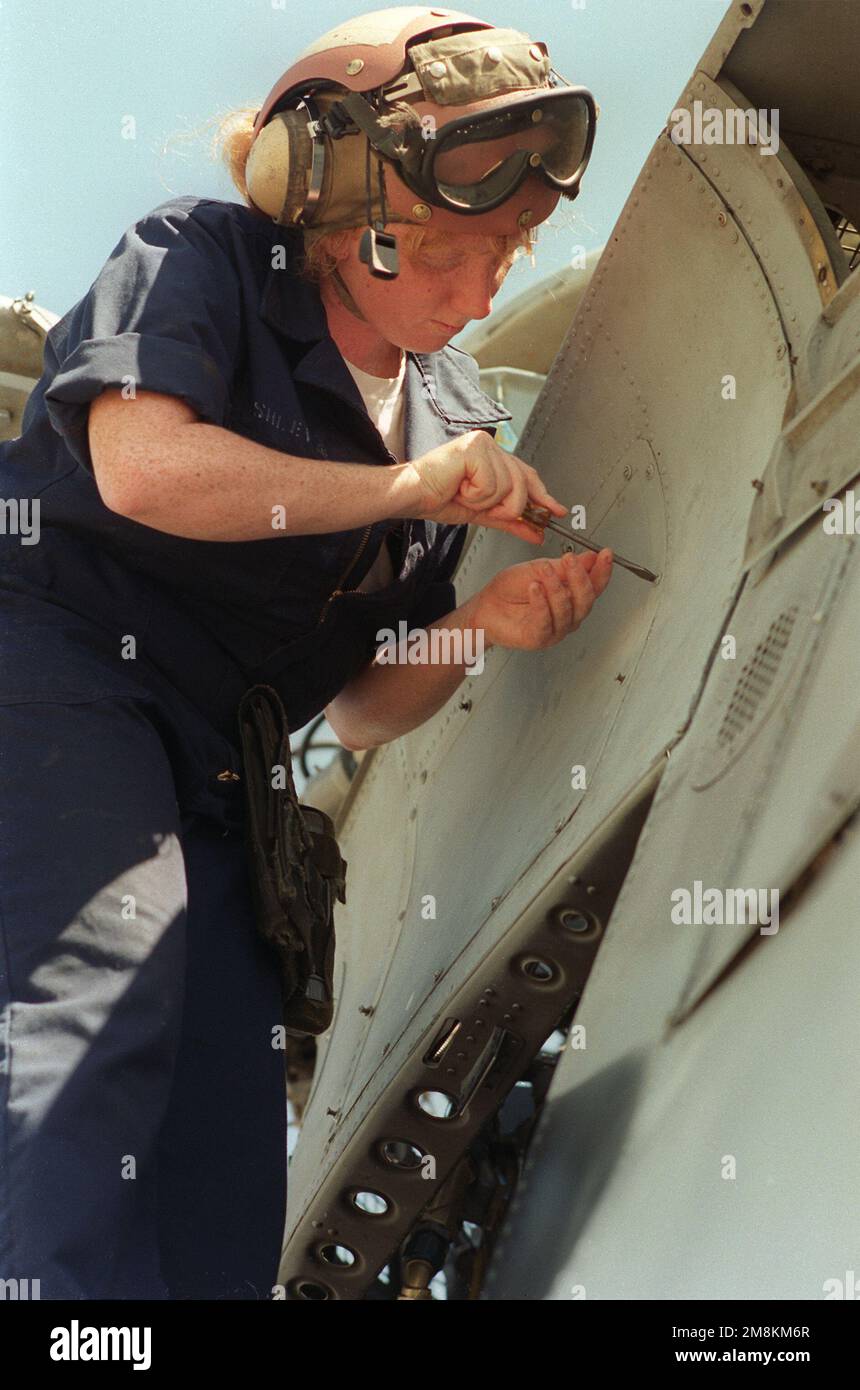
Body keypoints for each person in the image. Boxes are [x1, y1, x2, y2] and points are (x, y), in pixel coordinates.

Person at [0, 7, 612, 1300]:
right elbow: (145, 466)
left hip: (226, 775)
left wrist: (481, 626)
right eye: (446, 249)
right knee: (97, 998)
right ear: (332, 213)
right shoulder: (201, 258)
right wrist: (406, 495)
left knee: (224, 1130)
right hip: (54, 673)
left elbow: (367, 710)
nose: (482, 289)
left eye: (509, 252)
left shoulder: (446, 409)